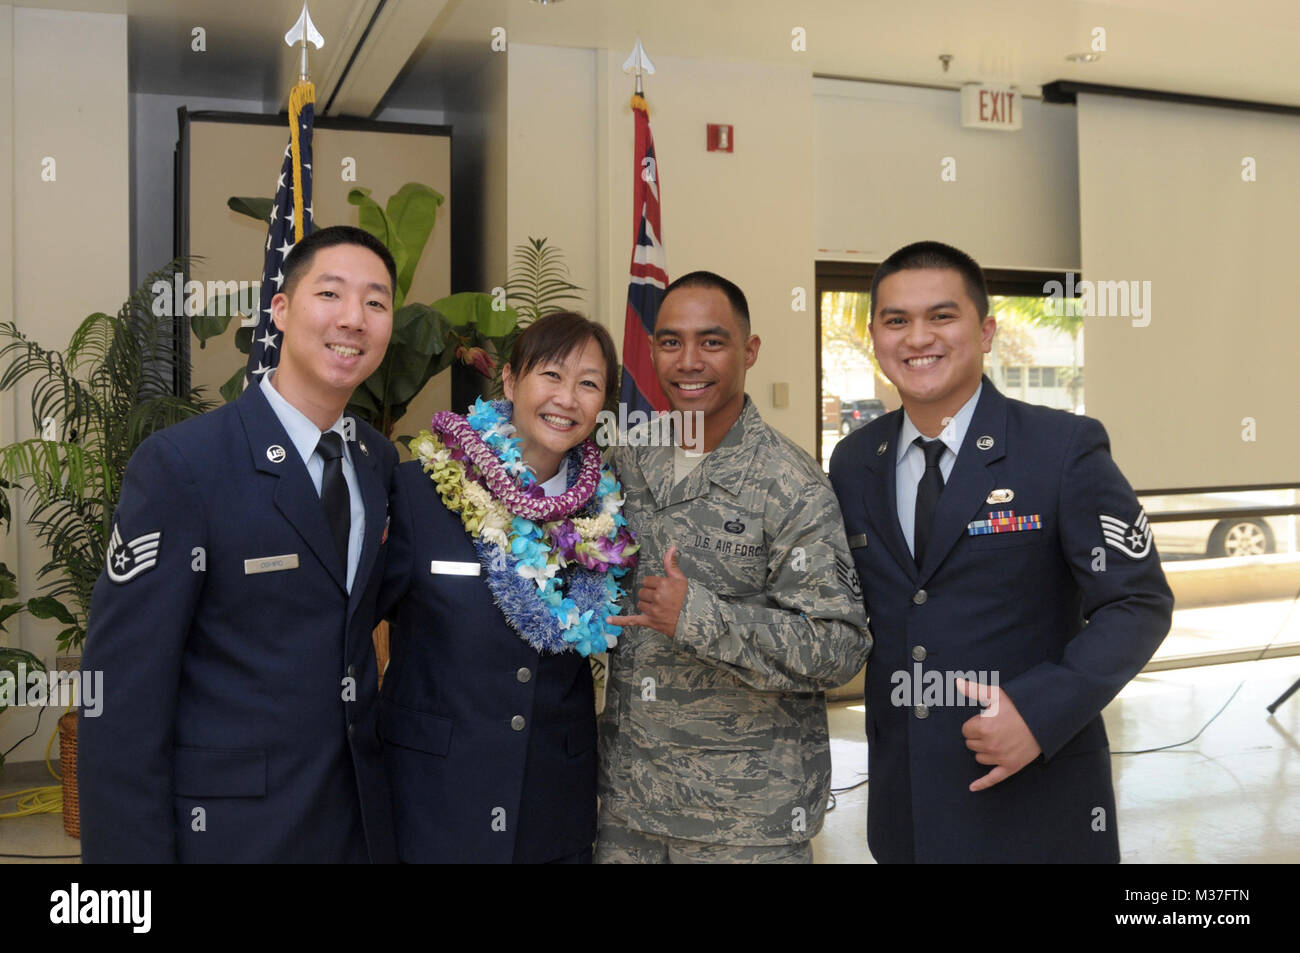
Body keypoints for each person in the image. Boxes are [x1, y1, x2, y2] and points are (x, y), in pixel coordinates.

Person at [828, 240, 1174, 863]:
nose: (917, 338)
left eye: (942, 316)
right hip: (906, 806)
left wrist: (1038, 713)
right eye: (896, 320)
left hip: (1035, 797)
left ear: (985, 331)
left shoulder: (1061, 447)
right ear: (876, 337)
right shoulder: (855, 461)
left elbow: (1137, 602)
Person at [79, 225, 400, 863]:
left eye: (376, 302)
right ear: (278, 310)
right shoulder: (184, 465)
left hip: (355, 822)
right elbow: (121, 697)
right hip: (231, 832)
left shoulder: (377, 461)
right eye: (330, 294)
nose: (353, 319)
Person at [596, 271, 871, 864]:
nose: (688, 361)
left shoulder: (791, 486)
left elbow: (839, 646)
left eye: (712, 342)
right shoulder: (627, 458)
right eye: (671, 342)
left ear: (749, 351)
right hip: (628, 807)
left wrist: (699, 617)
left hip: (745, 821)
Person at [380, 312, 636, 863]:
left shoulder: (609, 519)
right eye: (551, 375)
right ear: (511, 380)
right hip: (433, 801)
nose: (567, 399)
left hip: (550, 805)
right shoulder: (417, 493)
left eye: (589, 383)